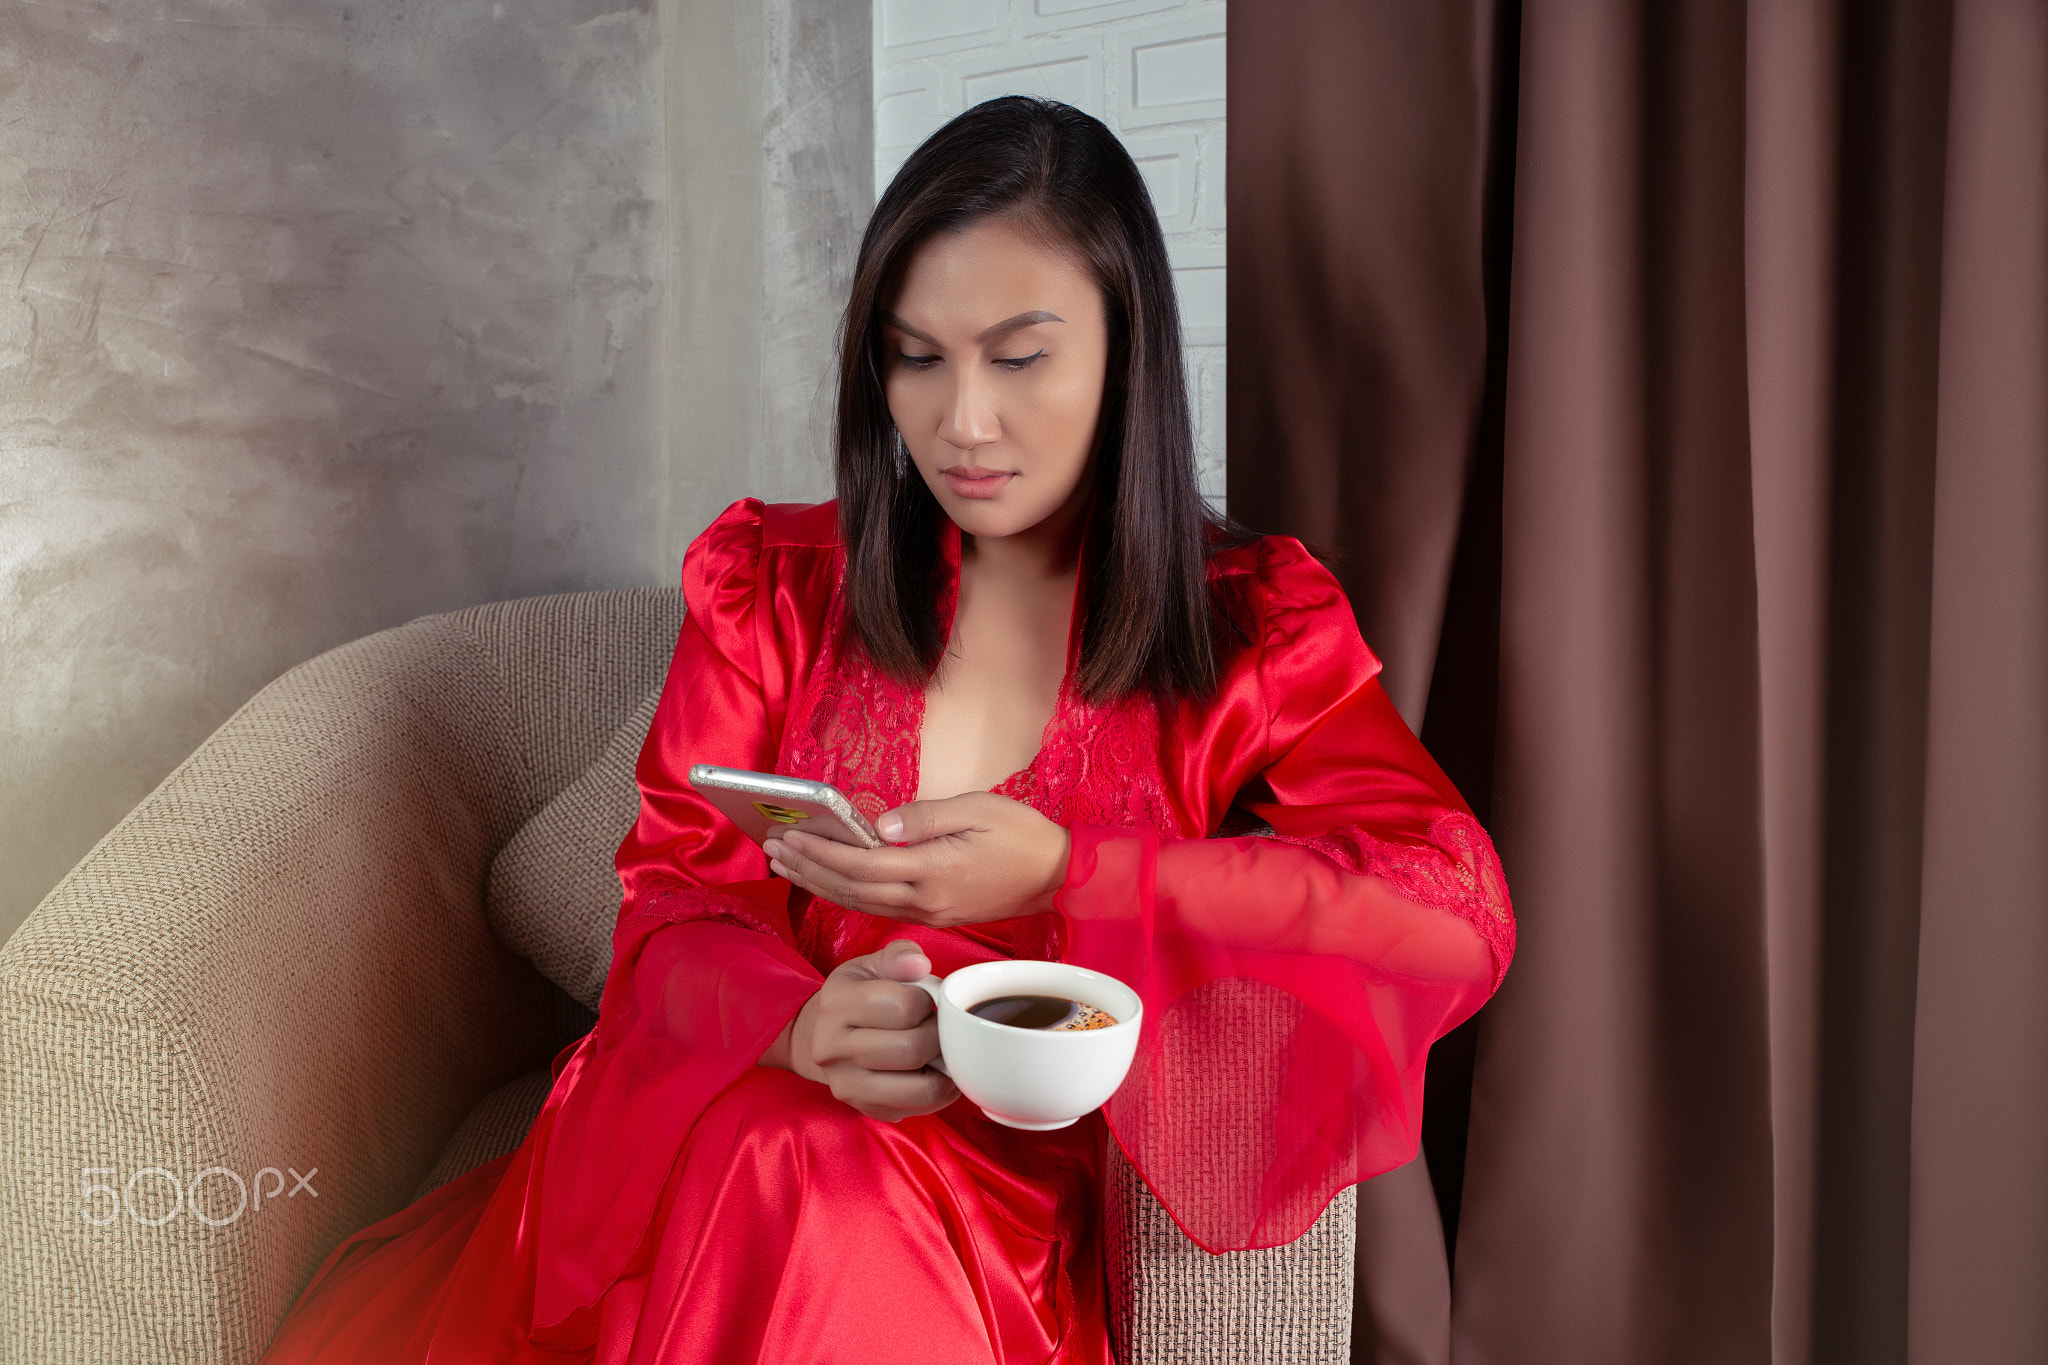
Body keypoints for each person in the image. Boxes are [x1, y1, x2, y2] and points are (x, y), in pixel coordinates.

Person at [258, 96, 1513, 1365]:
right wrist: (791, 1025)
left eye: (1018, 357)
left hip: (982, 1209)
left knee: (813, 1183)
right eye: (917, 357)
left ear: (1126, 352)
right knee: (784, 1150)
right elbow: (670, 908)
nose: (960, 423)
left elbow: (1448, 906)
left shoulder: (1253, 628)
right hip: (723, 1121)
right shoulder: (776, 586)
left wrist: (1071, 873)